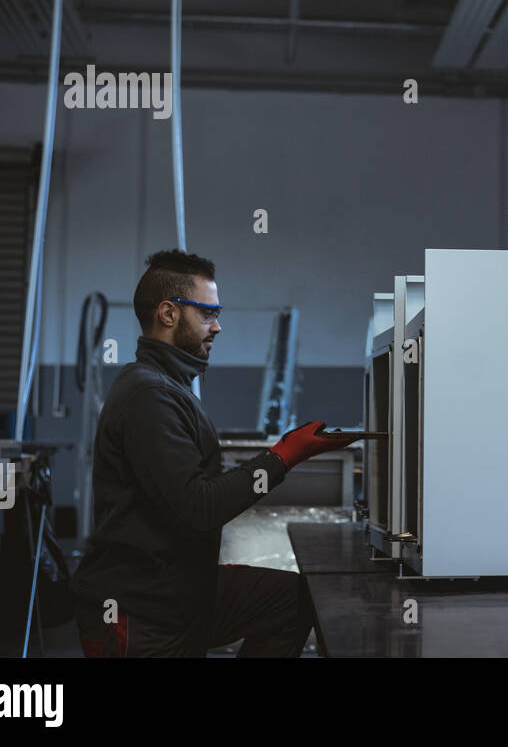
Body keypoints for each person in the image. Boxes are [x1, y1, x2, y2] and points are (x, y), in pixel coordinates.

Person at [70, 249, 349, 656]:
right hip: (139, 608)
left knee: (290, 599)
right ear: (168, 313)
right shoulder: (149, 395)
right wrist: (285, 455)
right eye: (207, 313)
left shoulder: (169, 386)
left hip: (179, 591)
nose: (217, 327)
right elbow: (198, 507)